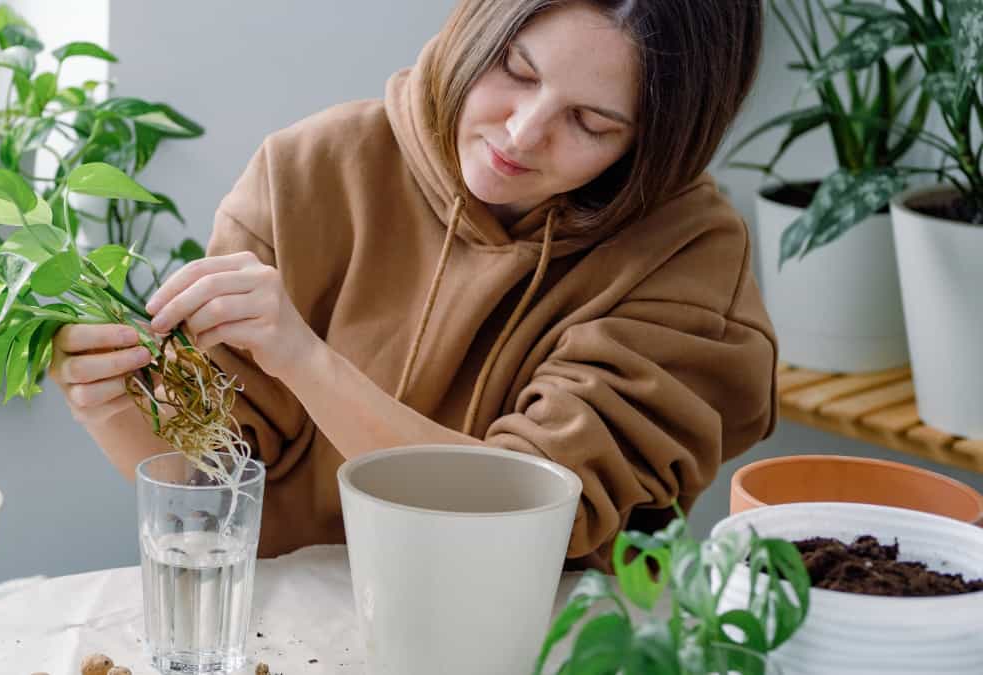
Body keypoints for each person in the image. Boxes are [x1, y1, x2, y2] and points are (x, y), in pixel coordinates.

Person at [49, 0, 775, 569]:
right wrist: (107, 402)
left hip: (530, 640)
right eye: (516, 70)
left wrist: (305, 359)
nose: (522, 133)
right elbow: (209, 490)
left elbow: (534, 513)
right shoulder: (309, 170)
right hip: (289, 632)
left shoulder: (686, 250)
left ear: (653, 142)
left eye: (590, 122)